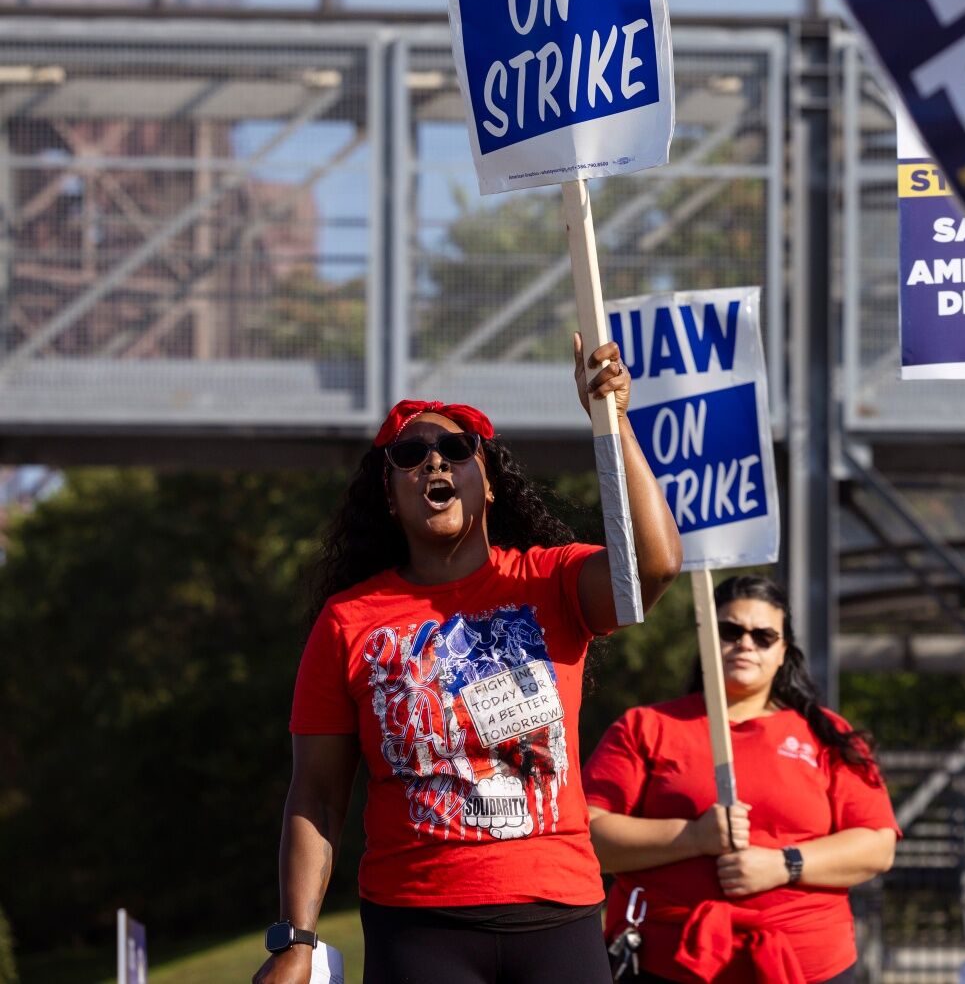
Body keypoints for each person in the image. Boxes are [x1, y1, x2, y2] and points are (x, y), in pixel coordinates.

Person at [257, 336, 682, 984]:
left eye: (457, 450)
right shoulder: (348, 621)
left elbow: (655, 565)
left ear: (489, 482)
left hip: (559, 914)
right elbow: (316, 793)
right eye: (410, 455)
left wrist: (613, 421)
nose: (435, 460)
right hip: (419, 926)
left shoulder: (551, 582)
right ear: (389, 494)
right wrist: (295, 938)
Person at [584, 575, 899, 983]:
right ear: (707, 639)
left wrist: (785, 864)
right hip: (665, 963)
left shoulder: (828, 734)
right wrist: (693, 836)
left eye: (764, 636)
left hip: (809, 966)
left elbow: (877, 845)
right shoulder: (646, 727)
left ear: (783, 651)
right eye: (730, 631)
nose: (746, 644)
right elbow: (588, 836)